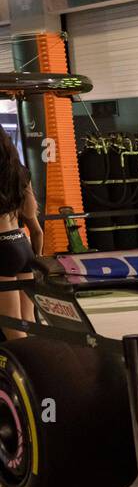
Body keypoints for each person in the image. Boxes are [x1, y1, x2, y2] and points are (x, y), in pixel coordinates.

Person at [0, 130, 41, 340]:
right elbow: (36, 228)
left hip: (1, 250)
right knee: (29, 320)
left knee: (12, 326)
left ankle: (24, 371)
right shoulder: (20, 172)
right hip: (21, 243)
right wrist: (37, 261)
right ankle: (39, 368)